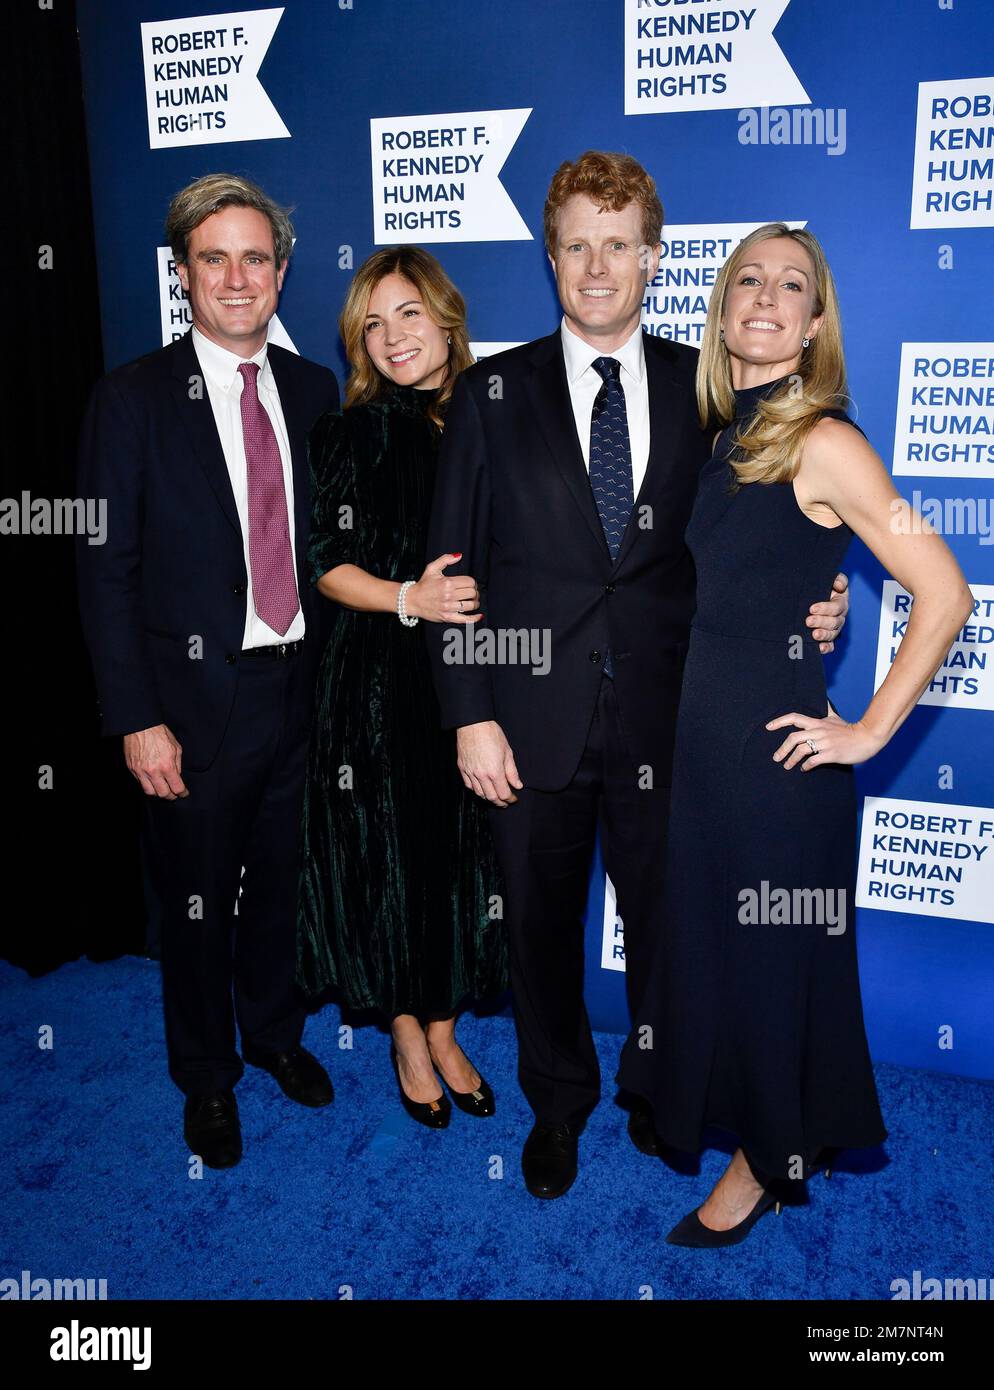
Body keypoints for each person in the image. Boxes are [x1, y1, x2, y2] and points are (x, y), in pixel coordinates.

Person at [424, 152, 852, 1198]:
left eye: (619, 245)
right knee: (536, 922)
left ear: (652, 259)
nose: (598, 265)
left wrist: (821, 609)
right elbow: (451, 571)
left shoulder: (705, 390)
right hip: (528, 718)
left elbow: (760, 538)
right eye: (577, 244)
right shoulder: (488, 391)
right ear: (553, 256)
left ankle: (667, 1090)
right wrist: (469, 718)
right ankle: (558, 1103)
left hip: (681, 722)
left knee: (676, 924)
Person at [617, 222, 973, 1246]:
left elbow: (942, 591)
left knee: (771, 964)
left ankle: (765, 1160)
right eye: (749, 281)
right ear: (723, 305)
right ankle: (724, 1113)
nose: (767, 298)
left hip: (773, 770)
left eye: (793, 287)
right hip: (694, 761)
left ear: (814, 324)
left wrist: (865, 729)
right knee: (712, 956)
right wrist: (826, 606)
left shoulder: (825, 439)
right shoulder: (715, 434)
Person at [75, 174, 339, 1169]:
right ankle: (207, 1076)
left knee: (277, 887)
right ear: (181, 273)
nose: (237, 277)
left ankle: (273, 1034)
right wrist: (135, 718)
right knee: (193, 904)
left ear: (281, 270)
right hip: (187, 707)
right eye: (214, 258)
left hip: (297, 693)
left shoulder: (314, 390)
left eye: (256, 257)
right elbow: (104, 571)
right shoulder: (132, 397)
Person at [296, 247, 508, 1128]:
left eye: (408, 314)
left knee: (461, 861)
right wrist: (408, 597)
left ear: (446, 316)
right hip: (376, 684)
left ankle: (447, 1025)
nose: (392, 337)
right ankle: (405, 1034)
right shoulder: (350, 434)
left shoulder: (498, 416)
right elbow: (326, 568)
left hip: (474, 678)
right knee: (390, 860)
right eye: (372, 324)